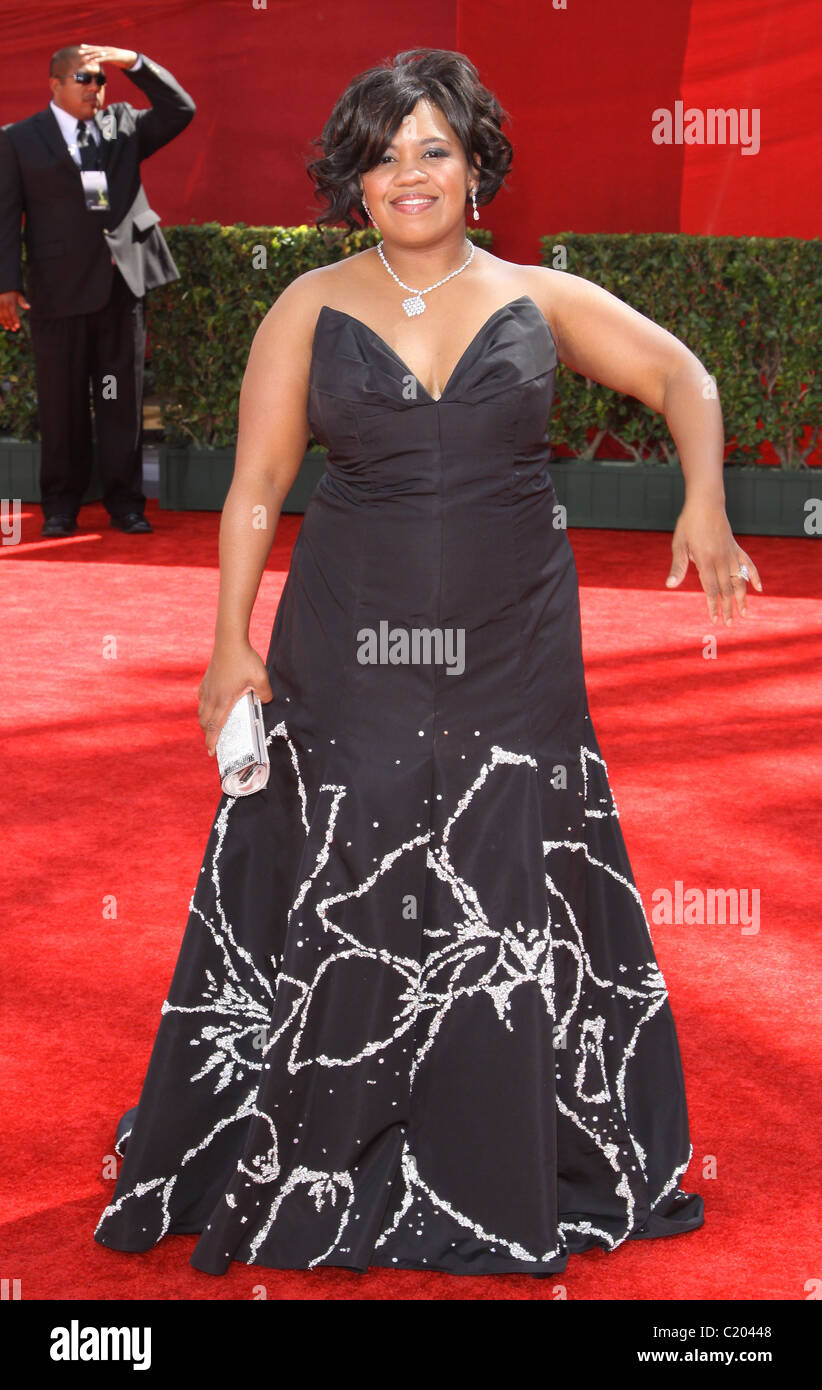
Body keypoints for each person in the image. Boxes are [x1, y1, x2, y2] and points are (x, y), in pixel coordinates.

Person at [94, 48, 761, 1277]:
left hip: (516, 646)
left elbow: (685, 374)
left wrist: (705, 500)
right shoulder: (306, 305)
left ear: (474, 167)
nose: (410, 173)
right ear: (354, 178)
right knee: (357, 859)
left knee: (505, 867)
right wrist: (226, 645)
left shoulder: (537, 294)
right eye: (385, 153)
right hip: (351, 637)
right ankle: (326, 1135)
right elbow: (254, 487)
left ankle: (502, 1148)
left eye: (433, 149)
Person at [0, 43, 195, 537]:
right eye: (84, 79)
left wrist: (134, 61)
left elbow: (181, 109)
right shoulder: (19, 140)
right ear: (55, 85)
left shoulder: (125, 125)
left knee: (121, 401)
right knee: (60, 403)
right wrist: (7, 286)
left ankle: (126, 504)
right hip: (57, 291)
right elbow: (5, 219)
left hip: (120, 284)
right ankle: (61, 506)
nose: (95, 88)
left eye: (100, 80)